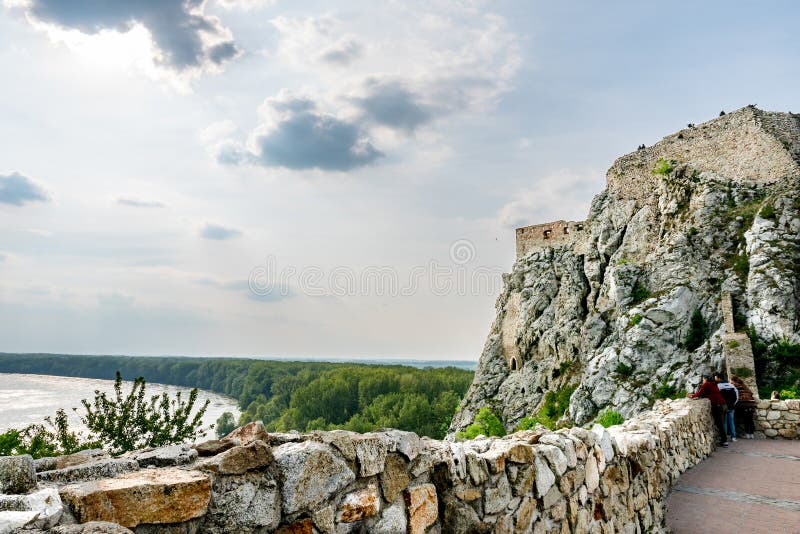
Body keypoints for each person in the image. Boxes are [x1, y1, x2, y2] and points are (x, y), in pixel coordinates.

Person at [688, 374, 729, 447]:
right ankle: (723, 439)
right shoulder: (714, 384)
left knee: (720, 423)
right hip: (724, 404)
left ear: (706, 379)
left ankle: (724, 441)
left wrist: (691, 396)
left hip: (718, 405)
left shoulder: (707, 384)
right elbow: (707, 393)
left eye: (703, 379)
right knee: (722, 423)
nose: (703, 381)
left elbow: (699, 393)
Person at [714, 372, 738, 441]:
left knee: (724, 422)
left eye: (716, 377)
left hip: (723, 406)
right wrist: (733, 404)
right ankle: (733, 437)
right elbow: (737, 397)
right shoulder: (732, 386)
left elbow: (717, 397)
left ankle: (725, 437)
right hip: (731, 407)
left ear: (719, 378)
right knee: (731, 422)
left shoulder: (718, 386)